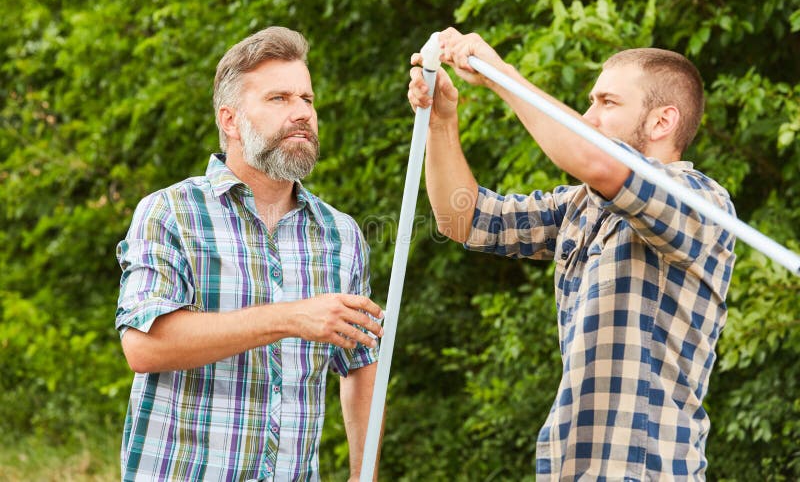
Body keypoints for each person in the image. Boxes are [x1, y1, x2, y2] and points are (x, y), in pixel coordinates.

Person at [408, 28, 736, 480]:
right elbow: (464, 219)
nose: (590, 115)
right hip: (571, 465)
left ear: (662, 122)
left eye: (608, 103)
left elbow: (597, 161)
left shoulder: (702, 202)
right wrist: (443, 121)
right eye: (592, 101)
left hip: (646, 469)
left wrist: (501, 75)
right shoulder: (581, 207)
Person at [116, 26, 384, 481]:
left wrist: (364, 476)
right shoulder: (170, 213)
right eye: (279, 99)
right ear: (230, 121)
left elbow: (361, 367)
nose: (301, 113)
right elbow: (144, 346)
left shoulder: (340, 235)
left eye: (308, 99)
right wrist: (290, 318)